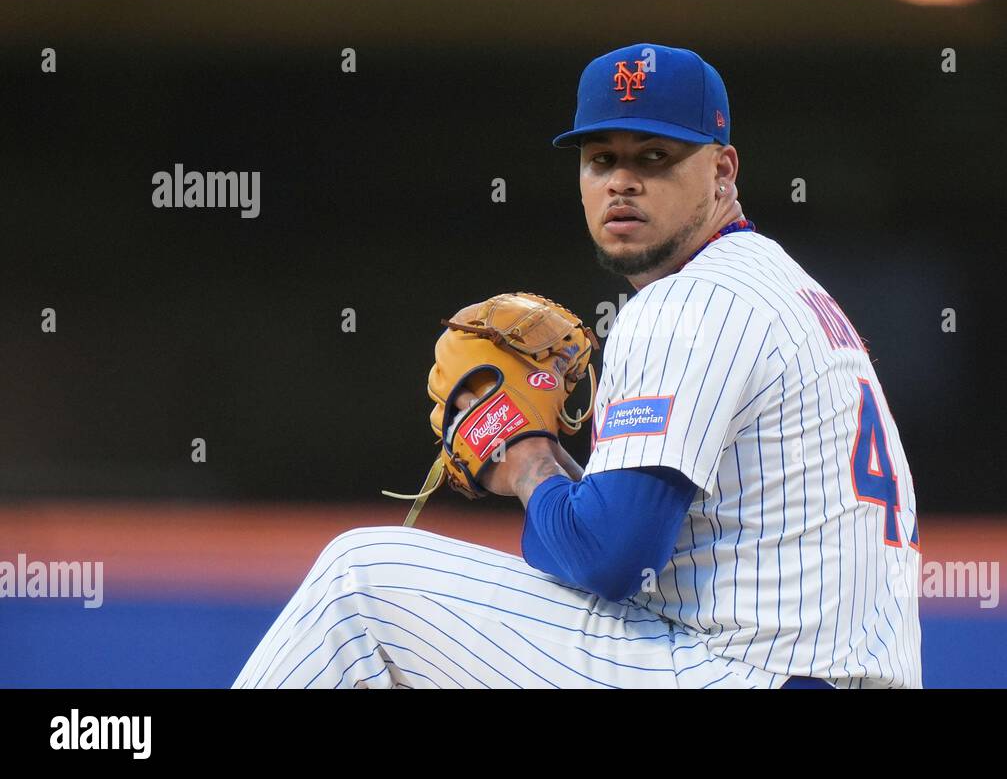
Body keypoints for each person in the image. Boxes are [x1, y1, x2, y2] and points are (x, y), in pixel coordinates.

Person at [233, 42, 921, 689]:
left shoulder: (690, 301)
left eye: (655, 156)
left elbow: (610, 558)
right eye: (602, 159)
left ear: (722, 170)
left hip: (745, 672)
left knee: (361, 581)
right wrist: (559, 474)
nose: (623, 181)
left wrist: (527, 459)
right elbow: (623, 543)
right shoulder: (778, 285)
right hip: (791, 667)